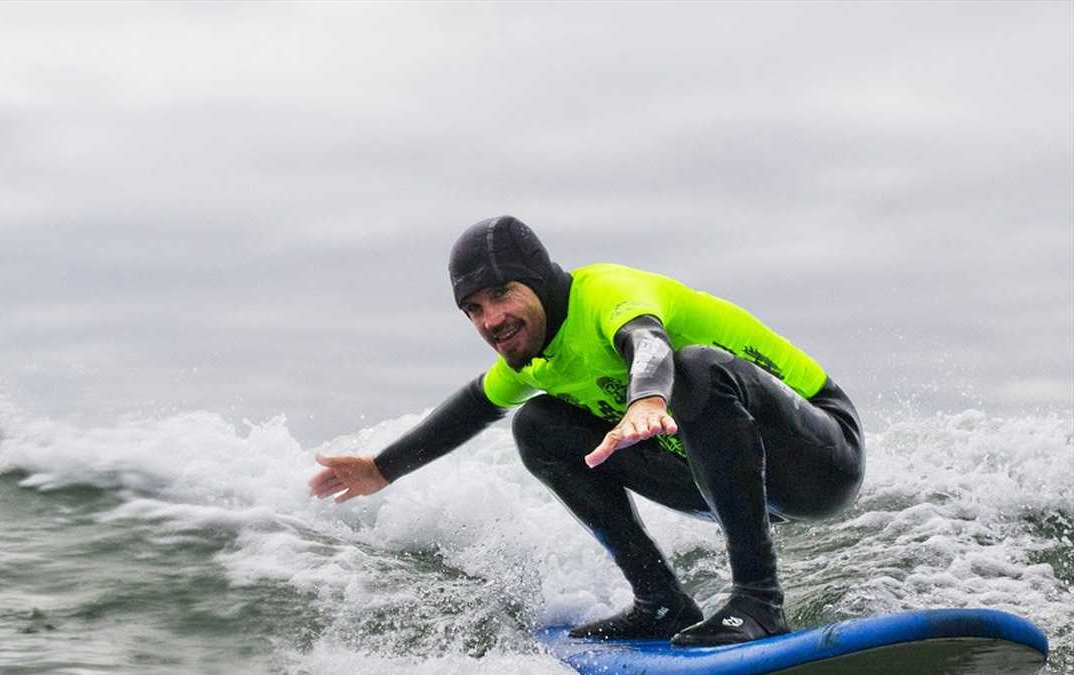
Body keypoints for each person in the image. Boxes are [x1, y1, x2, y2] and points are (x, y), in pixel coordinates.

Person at [308, 215, 864, 646]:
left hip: (820, 457)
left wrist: (647, 397)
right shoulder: (537, 358)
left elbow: (647, 341)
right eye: (472, 309)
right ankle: (661, 602)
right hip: (728, 480)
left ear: (539, 282)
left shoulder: (605, 295)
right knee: (538, 426)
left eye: (501, 295)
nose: (490, 320)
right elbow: (473, 407)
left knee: (695, 366)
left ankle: (759, 601)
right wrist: (381, 469)